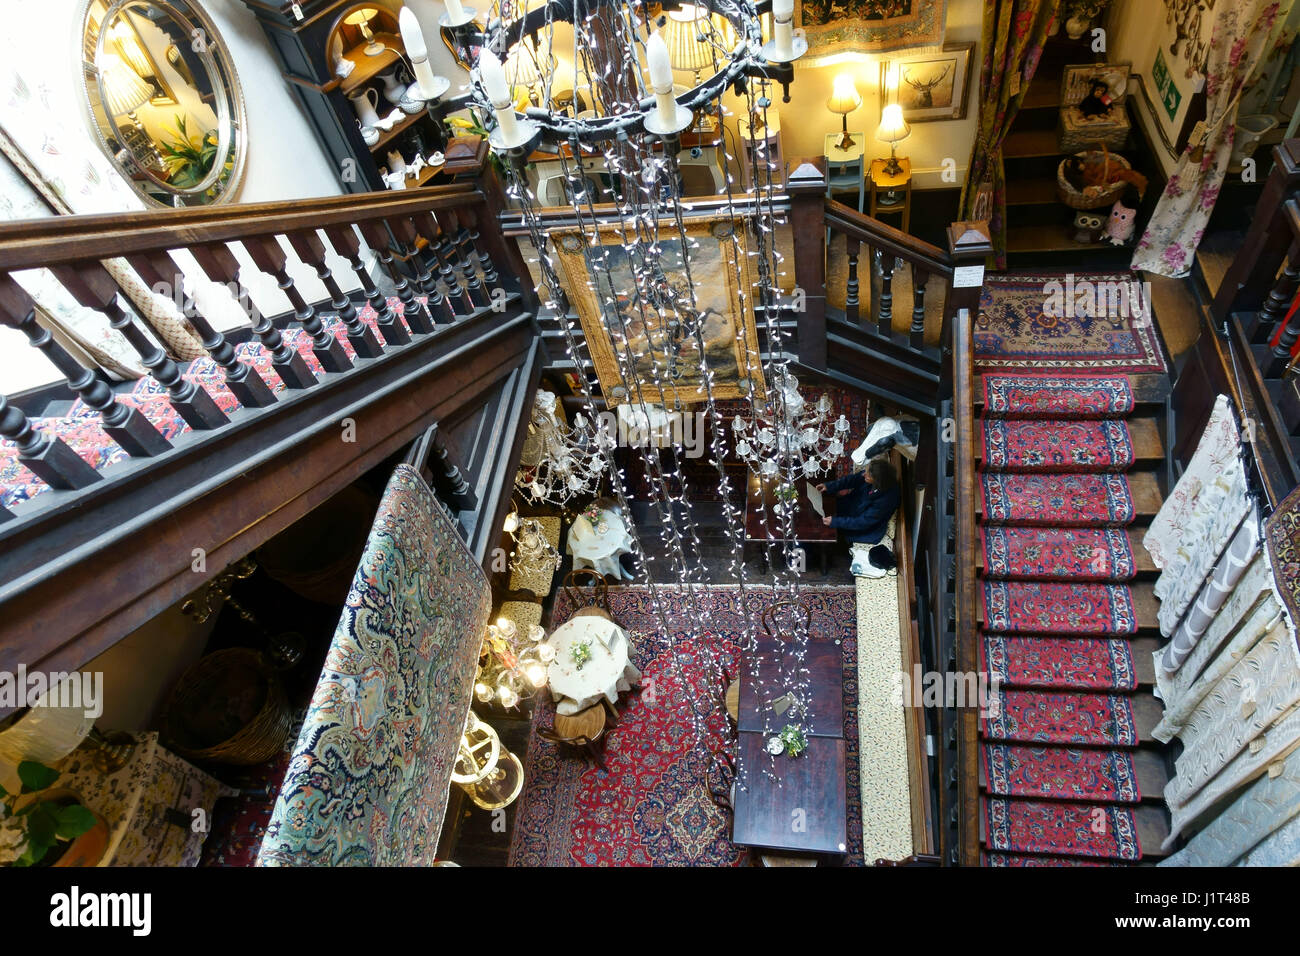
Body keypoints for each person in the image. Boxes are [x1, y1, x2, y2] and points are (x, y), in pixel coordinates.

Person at [816, 458, 900, 547]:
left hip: (865, 525)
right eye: (866, 471)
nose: (864, 474)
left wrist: (835, 522)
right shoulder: (874, 473)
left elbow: (863, 522)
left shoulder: (886, 500)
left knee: (824, 528)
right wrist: (829, 486)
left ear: (877, 481)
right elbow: (853, 479)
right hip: (854, 504)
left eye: (867, 475)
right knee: (826, 507)